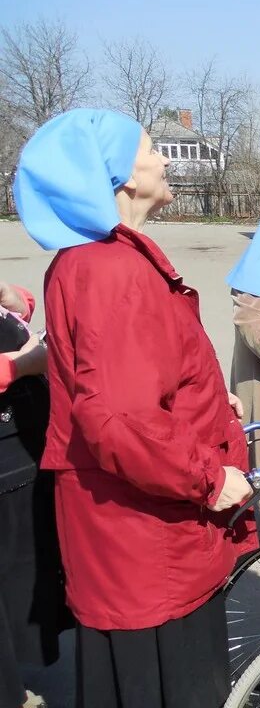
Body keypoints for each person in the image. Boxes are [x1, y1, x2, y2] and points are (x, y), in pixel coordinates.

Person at [14, 109, 256, 707]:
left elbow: (131, 383)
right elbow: (118, 421)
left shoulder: (96, 260)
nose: (166, 159)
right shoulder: (112, 270)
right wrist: (208, 477)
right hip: (147, 542)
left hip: (131, 538)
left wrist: (201, 397)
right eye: (152, 149)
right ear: (118, 175)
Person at [0, 283, 65, 708]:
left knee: (18, 581)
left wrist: (11, 297)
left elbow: (18, 307)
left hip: (22, 452)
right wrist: (21, 366)